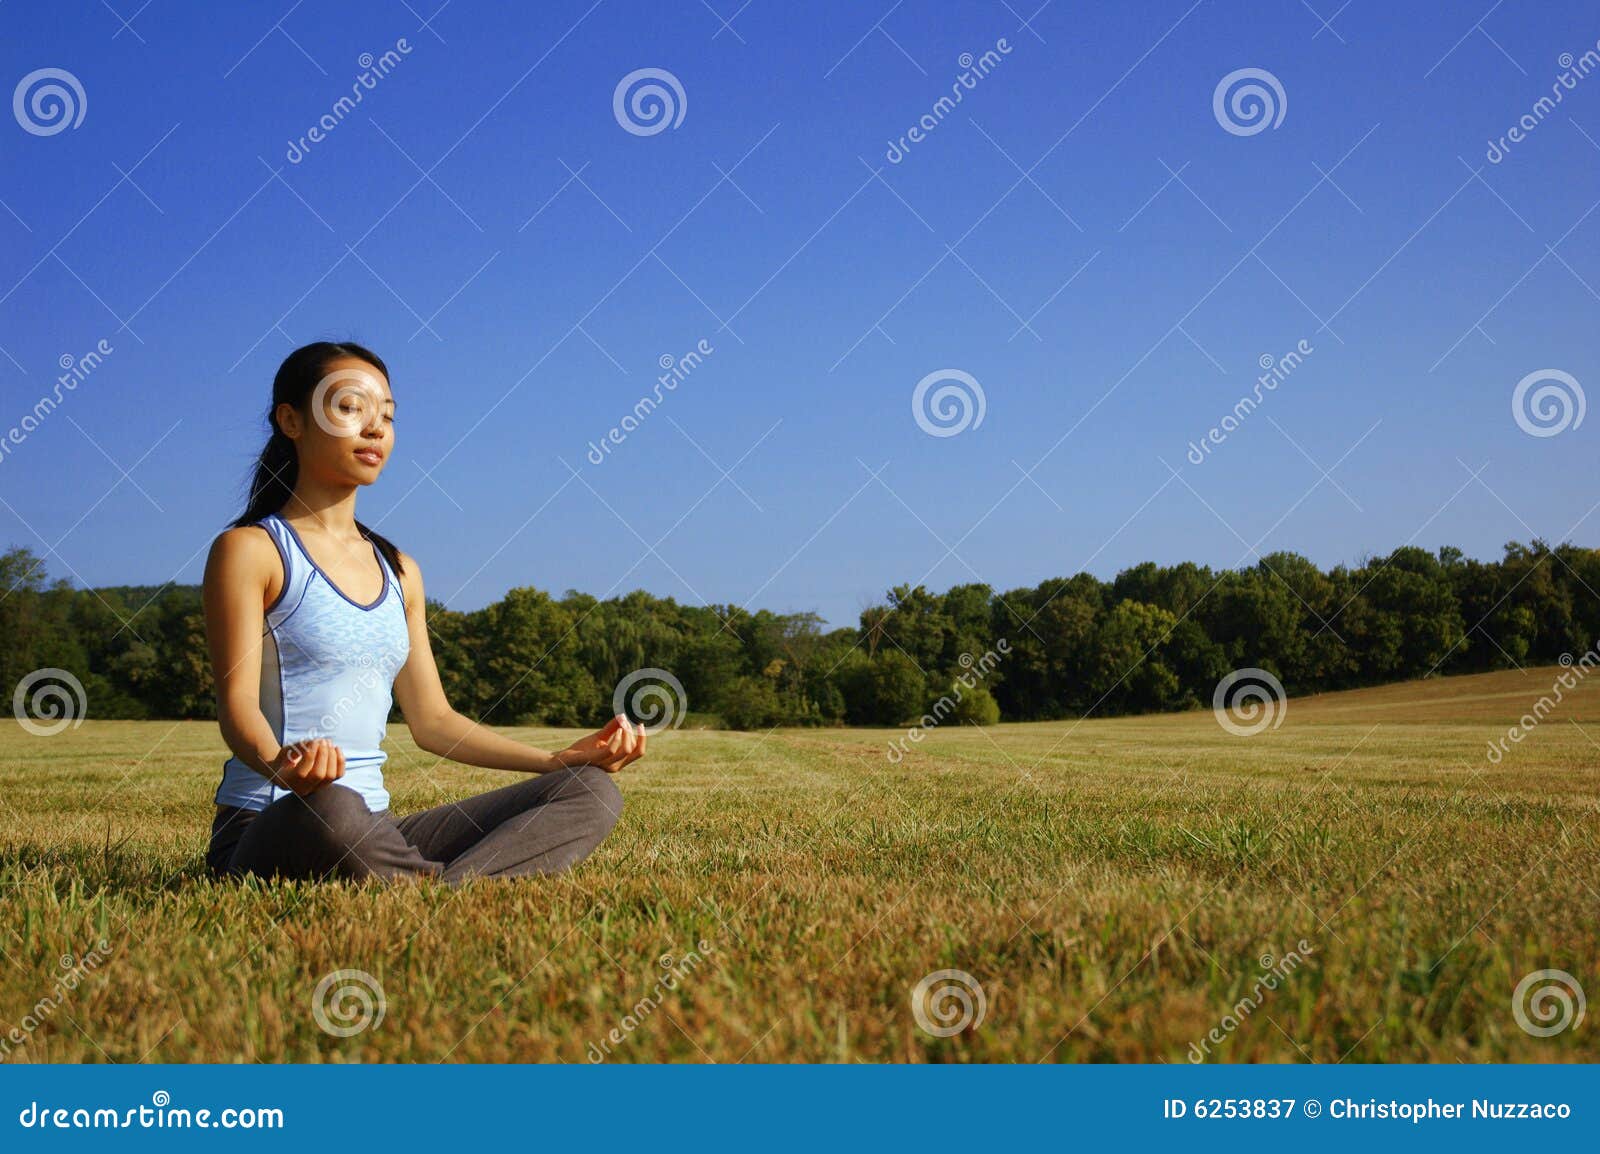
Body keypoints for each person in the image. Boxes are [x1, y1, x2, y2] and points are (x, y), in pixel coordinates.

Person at [202, 340, 644, 883]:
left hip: (373, 829)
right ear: (291, 420)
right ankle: (438, 880)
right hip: (275, 822)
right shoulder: (251, 550)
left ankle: (442, 887)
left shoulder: (400, 570)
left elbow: (434, 722)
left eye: (386, 415)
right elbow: (237, 705)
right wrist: (282, 766)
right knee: (334, 806)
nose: (374, 428)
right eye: (349, 408)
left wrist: (556, 761)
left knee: (591, 792)